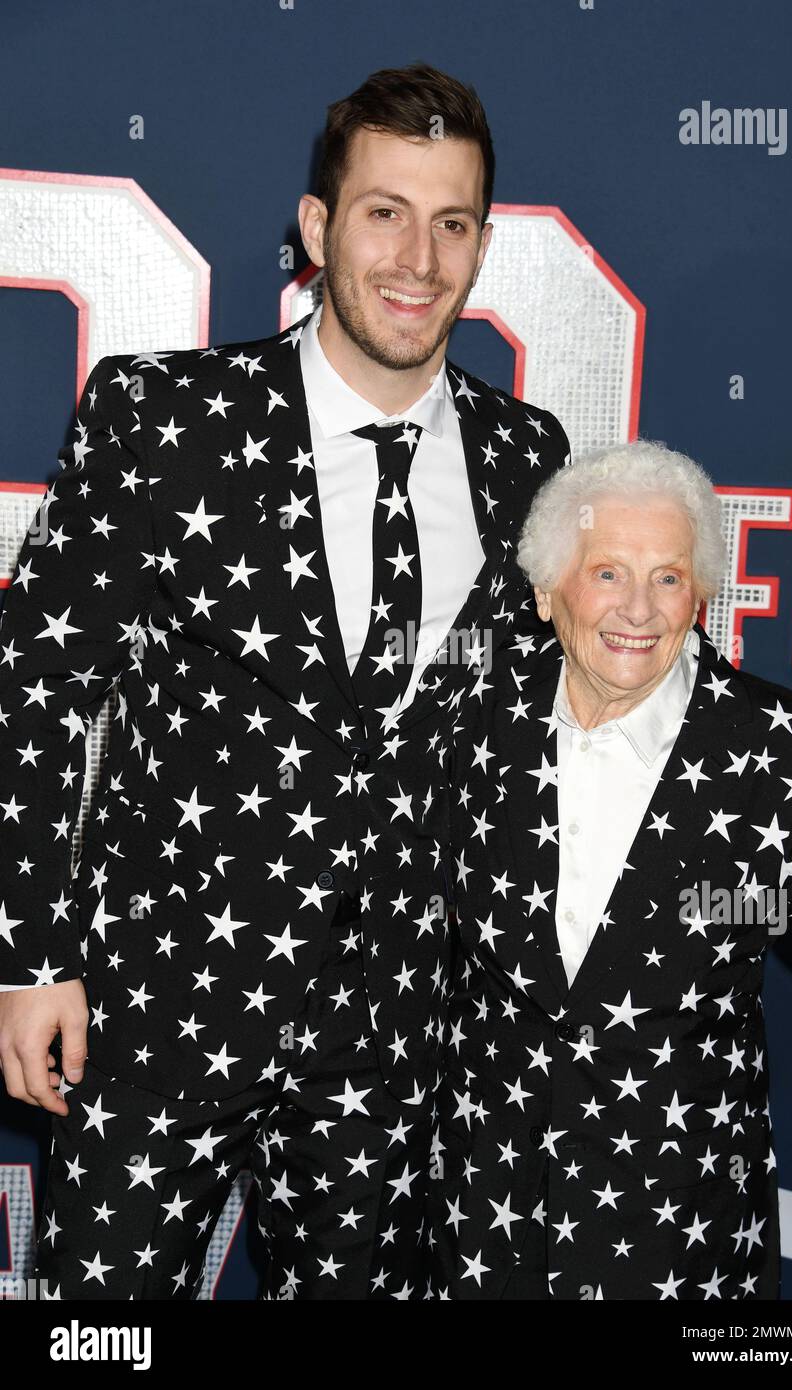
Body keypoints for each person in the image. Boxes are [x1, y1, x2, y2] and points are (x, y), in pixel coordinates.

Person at [0, 63, 570, 1300]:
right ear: (316, 230)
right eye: (384, 212)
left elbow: (577, 707)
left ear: (482, 245)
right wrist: (28, 959)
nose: (417, 257)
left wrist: (781, 854)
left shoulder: (529, 459)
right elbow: (35, 688)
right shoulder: (162, 418)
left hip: (393, 1032)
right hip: (159, 1004)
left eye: (453, 221)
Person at [427, 440, 792, 1300]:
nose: (638, 608)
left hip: (676, 1228)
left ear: (701, 592)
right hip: (479, 1220)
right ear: (546, 588)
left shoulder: (784, 752)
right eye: (607, 572)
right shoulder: (471, 715)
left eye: (668, 577)